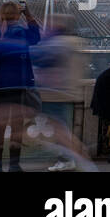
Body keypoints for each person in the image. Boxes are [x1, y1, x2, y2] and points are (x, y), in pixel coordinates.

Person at [33, 14, 88, 171]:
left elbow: (39, 58)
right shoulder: (75, 43)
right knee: (61, 126)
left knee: (58, 128)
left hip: (53, 91)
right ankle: (69, 157)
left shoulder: (58, 43)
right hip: (66, 91)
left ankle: (70, 158)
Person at [0, 1, 41, 172]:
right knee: (17, 124)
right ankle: (14, 164)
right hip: (19, 85)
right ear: (17, 14)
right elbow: (36, 37)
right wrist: (28, 14)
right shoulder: (21, 32)